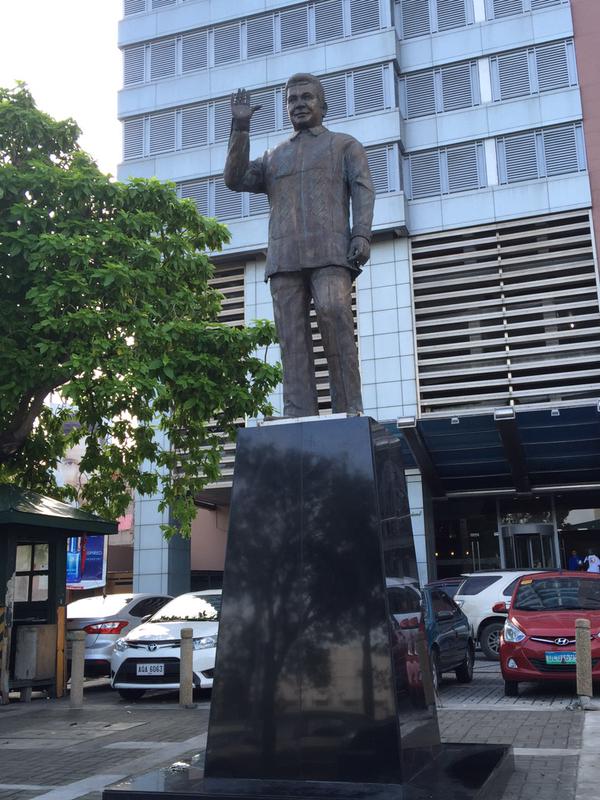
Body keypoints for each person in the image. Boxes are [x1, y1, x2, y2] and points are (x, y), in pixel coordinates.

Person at [224, 75, 375, 417]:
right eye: (292, 100)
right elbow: (234, 178)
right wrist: (240, 127)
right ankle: (298, 412)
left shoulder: (344, 145)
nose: (299, 104)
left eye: (307, 97)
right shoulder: (274, 156)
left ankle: (349, 407)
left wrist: (362, 234)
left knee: (334, 316)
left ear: (324, 105)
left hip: (331, 252)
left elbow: (364, 189)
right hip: (285, 256)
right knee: (291, 338)